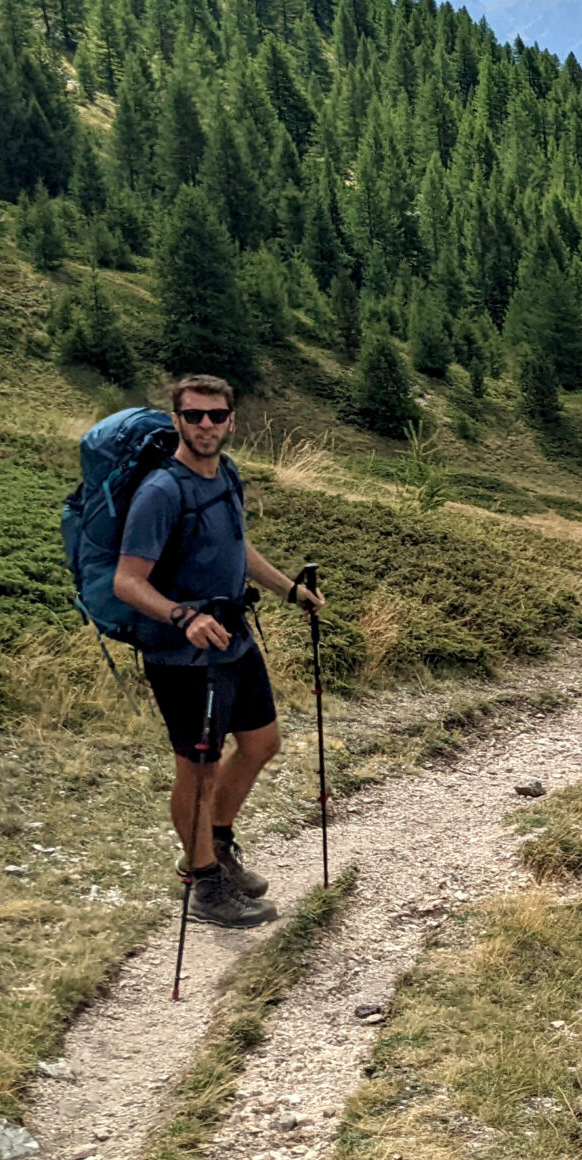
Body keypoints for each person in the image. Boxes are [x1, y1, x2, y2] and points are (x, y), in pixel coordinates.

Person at [113, 374, 323, 926]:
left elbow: (238, 545)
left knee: (261, 744)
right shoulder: (161, 491)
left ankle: (219, 847)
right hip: (183, 655)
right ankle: (203, 881)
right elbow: (128, 581)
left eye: (215, 415)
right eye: (193, 415)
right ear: (176, 419)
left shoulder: (226, 474)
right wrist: (183, 616)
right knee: (198, 770)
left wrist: (289, 590)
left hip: (234, 636)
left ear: (231, 419)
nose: (205, 425)